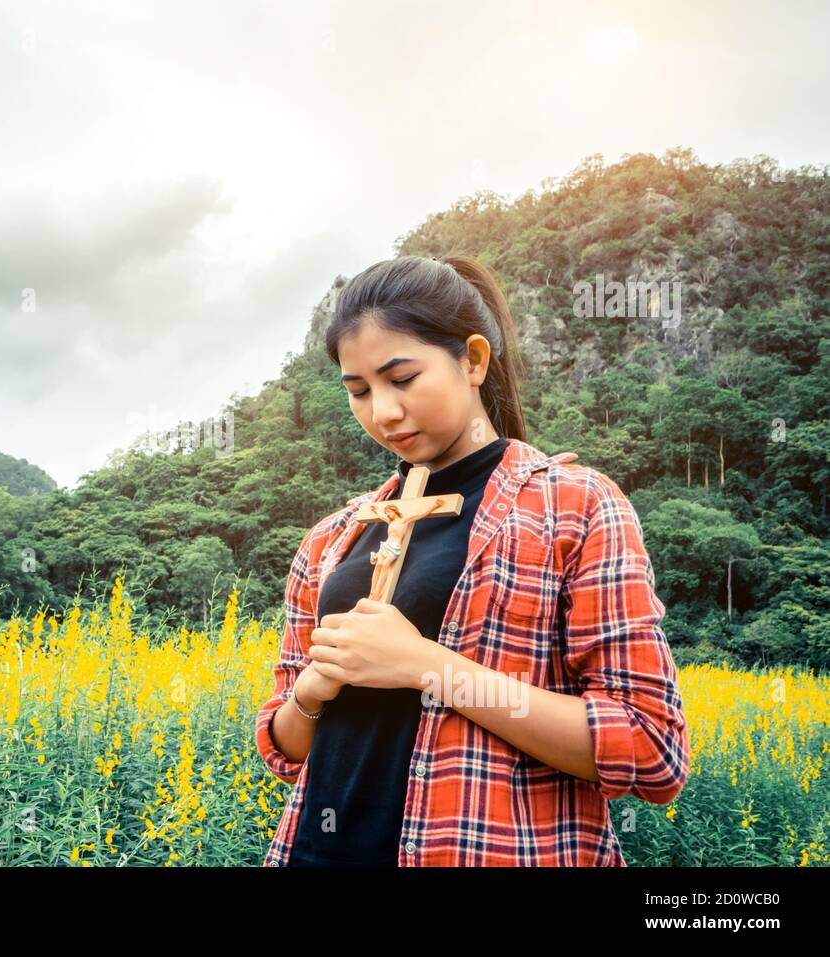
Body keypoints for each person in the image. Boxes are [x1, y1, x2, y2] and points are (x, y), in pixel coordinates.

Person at [254, 254, 690, 866]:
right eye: (359, 391)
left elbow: (650, 748)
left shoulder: (574, 505)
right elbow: (282, 747)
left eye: (401, 378)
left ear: (475, 360)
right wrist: (310, 692)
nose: (382, 412)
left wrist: (428, 667)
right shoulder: (333, 538)